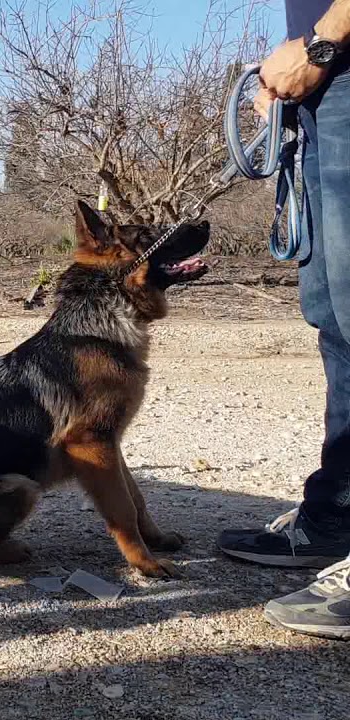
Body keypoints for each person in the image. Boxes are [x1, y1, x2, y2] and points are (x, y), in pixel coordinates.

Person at [217, 0, 350, 639]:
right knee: (335, 318)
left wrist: (321, 45)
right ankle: (336, 518)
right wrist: (292, 73)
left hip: (335, 65)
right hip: (323, 92)